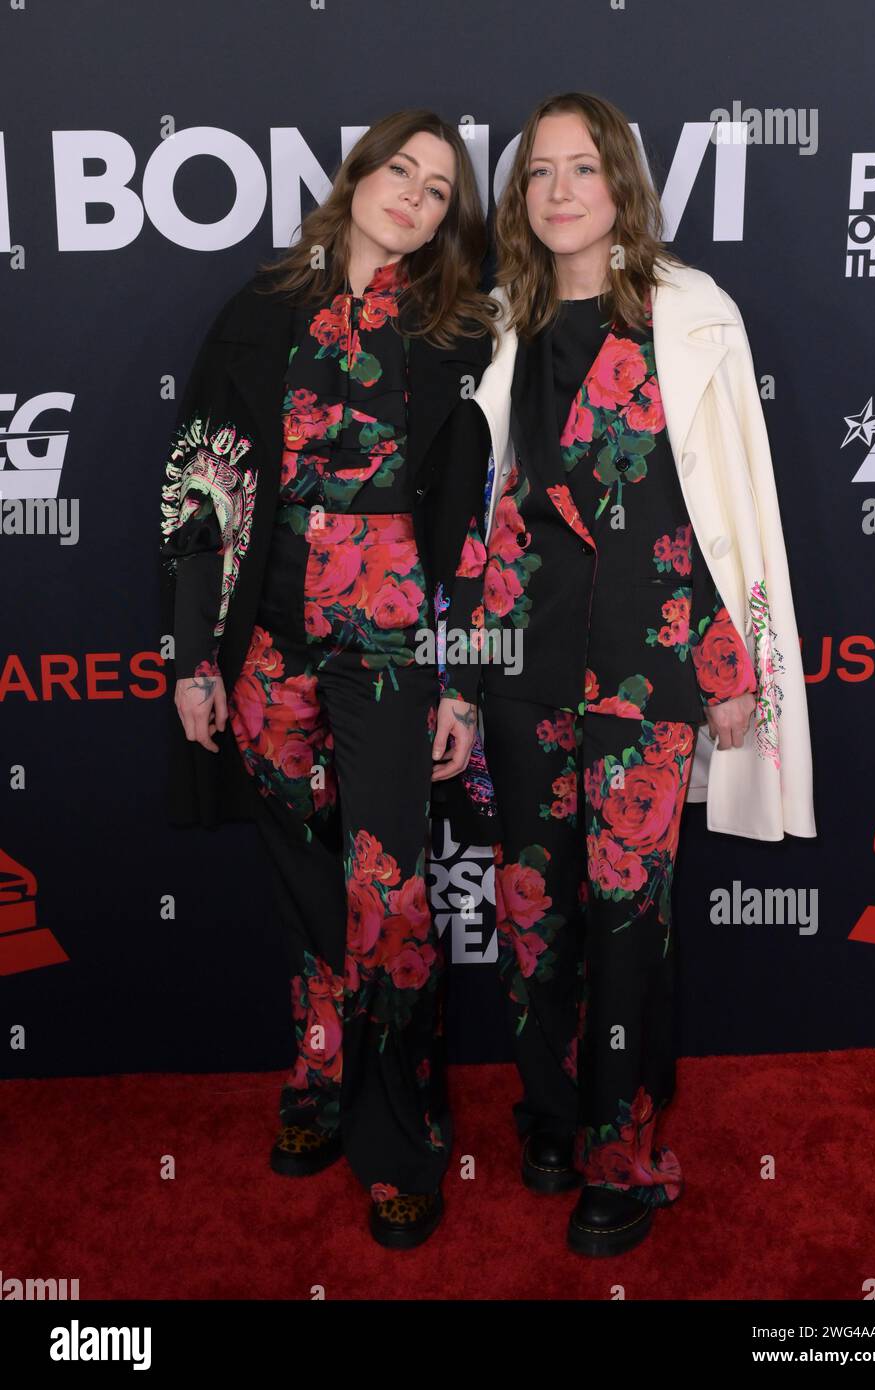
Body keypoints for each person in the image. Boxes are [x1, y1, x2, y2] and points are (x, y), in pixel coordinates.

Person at [465, 92, 817, 1257]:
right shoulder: (499, 322)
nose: (559, 191)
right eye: (538, 173)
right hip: (519, 668)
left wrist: (729, 670)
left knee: (626, 920)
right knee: (530, 912)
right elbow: (478, 522)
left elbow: (715, 512)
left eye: (582, 168)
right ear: (520, 198)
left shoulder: (687, 315)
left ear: (621, 182)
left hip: (645, 673)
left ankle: (628, 1153)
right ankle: (552, 1113)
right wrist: (466, 675)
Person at [158, 109, 498, 1250]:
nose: (411, 193)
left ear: (451, 219)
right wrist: (192, 654)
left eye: (438, 188)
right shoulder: (261, 310)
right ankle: (316, 1085)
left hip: (395, 642)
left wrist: (458, 679)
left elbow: (473, 522)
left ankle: (397, 1134)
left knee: (389, 886)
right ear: (355, 177)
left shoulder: (458, 333)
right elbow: (199, 487)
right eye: (397, 169)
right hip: (264, 642)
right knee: (307, 886)